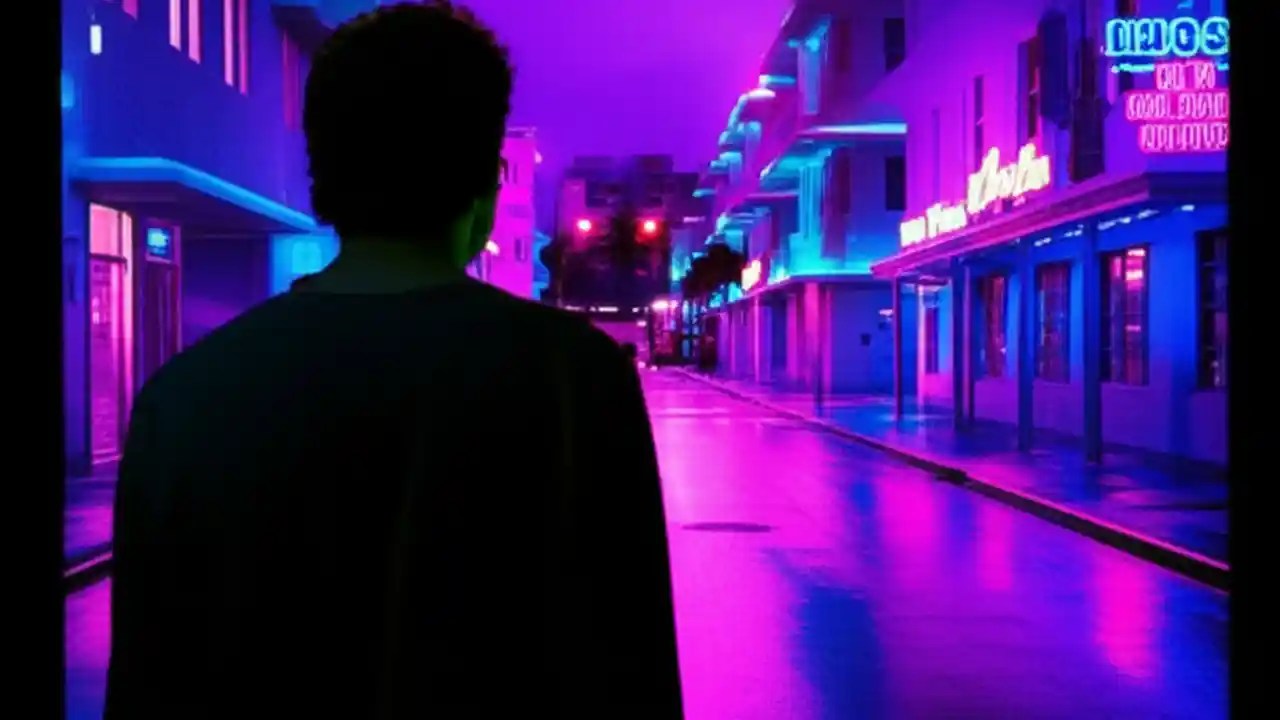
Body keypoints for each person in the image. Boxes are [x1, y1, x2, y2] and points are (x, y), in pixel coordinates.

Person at [104, 3, 683, 718]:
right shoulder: (579, 382)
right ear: (484, 183)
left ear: (321, 178)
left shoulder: (184, 399)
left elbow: (148, 680)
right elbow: (632, 667)